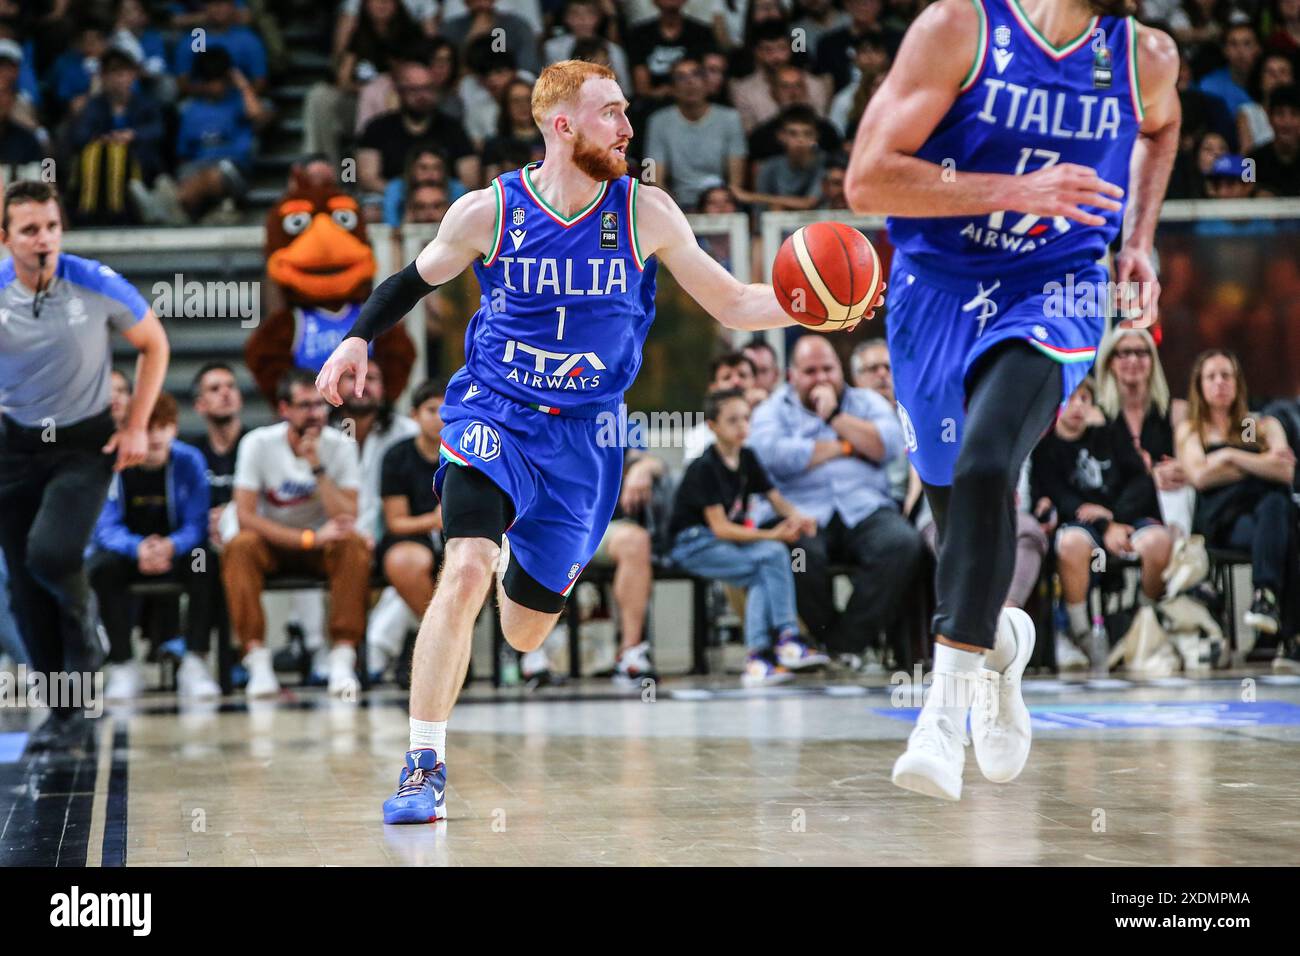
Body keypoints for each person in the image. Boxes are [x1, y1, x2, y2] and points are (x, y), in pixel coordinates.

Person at [315, 59, 881, 824]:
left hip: (588, 439)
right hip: (495, 412)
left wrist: (812, 308)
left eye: (623, 112)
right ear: (563, 125)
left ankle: (521, 549)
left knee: (522, 633)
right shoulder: (489, 211)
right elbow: (411, 282)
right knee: (466, 563)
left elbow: (738, 302)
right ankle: (423, 766)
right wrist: (356, 341)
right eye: (610, 113)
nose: (625, 127)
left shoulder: (646, 212)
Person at [846, 0, 1179, 799]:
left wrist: (1135, 238)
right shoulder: (959, 28)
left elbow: (1162, 130)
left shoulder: (1146, 57)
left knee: (990, 460)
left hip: (1056, 284)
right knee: (955, 513)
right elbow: (866, 179)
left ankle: (941, 716)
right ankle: (999, 645)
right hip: (935, 290)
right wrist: (1015, 191)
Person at [0, 180, 169, 750]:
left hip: (85, 445)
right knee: (22, 585)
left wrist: (137, 425)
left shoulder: (93, 281)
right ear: (6, 239)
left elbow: (155, 343)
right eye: (29, 230)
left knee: (50, 553)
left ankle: (87, 634)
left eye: (50, 226)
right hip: (14, 446)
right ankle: (63, 708)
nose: (43, 239)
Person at [749, 335, 923, 663]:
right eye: (810, 371)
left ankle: (844, 644)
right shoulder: (773, 409)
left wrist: (833, 420)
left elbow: (886, 444)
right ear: (793, 376)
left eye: (827, 369)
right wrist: (846, 446)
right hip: (800, 511)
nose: (821, 378)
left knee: (902, 545)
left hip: (864, 507)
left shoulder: (867, 403)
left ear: (840, 370)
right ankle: (832, 639)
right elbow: (768, 455)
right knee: (798, 554)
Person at [223, 369, 370, 698]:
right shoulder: (257, 444)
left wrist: (317, 467)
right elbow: (245, 515)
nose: (315, 414)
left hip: (324, 545)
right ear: (284, 409)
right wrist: (307, 539)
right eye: (305, 405)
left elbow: (347, 515)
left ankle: (342, 658)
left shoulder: (341, 445)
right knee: (239, 546)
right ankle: (257, 660)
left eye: (320, 405)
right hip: (273, 544)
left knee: (353, 544)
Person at [669, 388, 823, 686]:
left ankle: (760, 657)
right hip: (692, 543)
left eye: (746, 419)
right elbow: (720, 528)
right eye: (732, 421)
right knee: (770, 556)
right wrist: (772, 533)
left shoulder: (748, 457)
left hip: (720, 542)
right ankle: (784, 639)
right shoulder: (705, 467)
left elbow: (776, 498)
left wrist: (799, 518)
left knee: (763, 568)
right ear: (712, 427)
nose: (742, 427)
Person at [1031, 379, 1172, 664]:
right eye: (1071, 398)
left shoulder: (1111, 434)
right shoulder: (1045, 449)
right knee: (1070, 543)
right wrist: (1104, 526)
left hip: (1123, 518)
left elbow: (1141, 481)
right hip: (1082, 527)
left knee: (1160, 541)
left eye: (1084, 398)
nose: (1078, 406)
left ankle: (1142, 621)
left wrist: (1113, 519)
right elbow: (1061, 498)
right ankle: (1080, 632)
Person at [88, 392, 219, 700]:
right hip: (129, 555)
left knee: (206, 561)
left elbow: (197, 523)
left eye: (163, 426)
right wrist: (138, 548)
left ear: (173, 428)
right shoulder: (112, 463)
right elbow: (105, 526)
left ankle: (195, 661)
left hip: (178, 553)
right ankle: (122, 664)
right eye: (147, 427)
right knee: (100, 567)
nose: (156, 435)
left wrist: (171, 546)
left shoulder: (189, 460)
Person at [1175, 350, 1299, 672]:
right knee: (1284, 523)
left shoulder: (1256, 424)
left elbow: (1286, 472)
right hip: (1222, 524)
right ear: (1199, 385)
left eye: (1226, 375)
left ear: (1238, 382)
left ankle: (1267, 600)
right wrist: (1259, 464)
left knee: (1277, 507)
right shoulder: (1191, 430)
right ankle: (1285, 634)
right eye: (1211, 376)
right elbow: (1200, 476)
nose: (1220, 383)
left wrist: (1229, 456)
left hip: (1263, 520)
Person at [374, 378, 445, 681]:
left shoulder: (470, 453)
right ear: (414, 415)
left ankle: (429, 645)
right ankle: (446, 645)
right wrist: (435, 519)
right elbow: (396, 521)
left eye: (448, 410)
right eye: (432, 410)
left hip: (459, 536)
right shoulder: (397, 456)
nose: (441, 417)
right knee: (406, 562)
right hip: (414, 534)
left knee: (481, 558)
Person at [1094, 326, 1191, 534]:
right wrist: (1148, 474)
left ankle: (1180, 556)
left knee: (1179, 488)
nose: (1133, 360)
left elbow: (1188, 464)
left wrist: (1179, 468)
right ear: (1111, 362)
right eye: (1124, 353)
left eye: (1141, 352)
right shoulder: (1097, 416)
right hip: (1117, 504)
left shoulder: (1175, 412)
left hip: (1164, 503)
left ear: (1152, 361)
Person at [683, 351, 763, 463]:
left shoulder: (770, 421)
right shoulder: (698, 436)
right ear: (713, 388)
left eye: (742, 375)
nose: (736, 382)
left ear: (754, 382)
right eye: (727, 377)